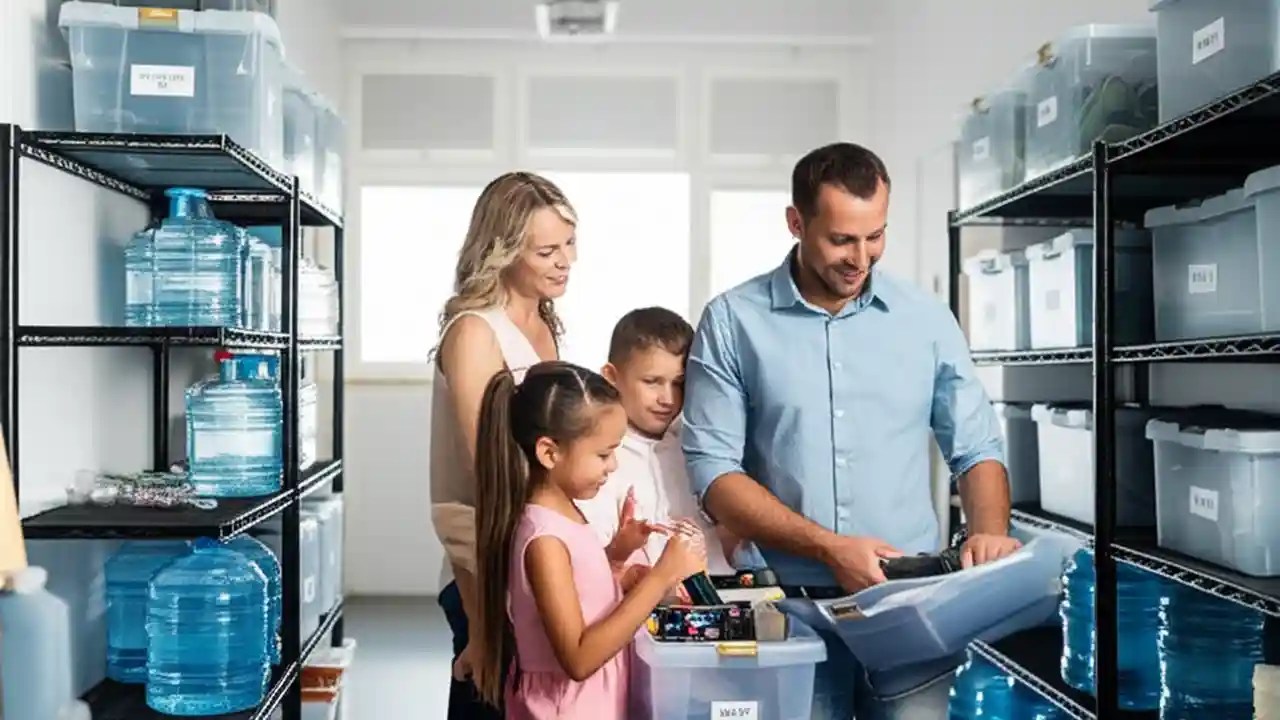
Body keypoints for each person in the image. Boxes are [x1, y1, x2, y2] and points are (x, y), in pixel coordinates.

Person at [681, 142, 1019, 720]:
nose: (860, 258)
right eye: (841, 239)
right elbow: (714, 474)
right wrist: (829, 549)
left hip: (913, 608)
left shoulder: (927, 319)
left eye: (875, 236)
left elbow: (978, 448)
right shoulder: (732, 321)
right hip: (787, 617)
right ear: (796, 222)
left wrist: (988, 533)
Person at [471, 361, 707, 719]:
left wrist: (617, 561)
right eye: (603, 454)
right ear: (549, 453)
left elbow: (577, 596)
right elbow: (578, 658)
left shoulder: (566, 515)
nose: (612, 466)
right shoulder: (544, 539)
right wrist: (660, 577)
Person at [429, 171, 577, 719]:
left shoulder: (545, 321)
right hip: (484, 580)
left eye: (569, 244)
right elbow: (486, 484)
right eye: (547, 250)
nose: (565, 261)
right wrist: (483, 621)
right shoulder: (474, 333)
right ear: (503, 251)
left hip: (534, 561)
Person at [575, 307, 743, 576]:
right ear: (611, 376)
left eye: (679, 383)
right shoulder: (598, 458)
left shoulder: (699, 446)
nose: (668, 398)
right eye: (652, 382)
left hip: (714, 597)